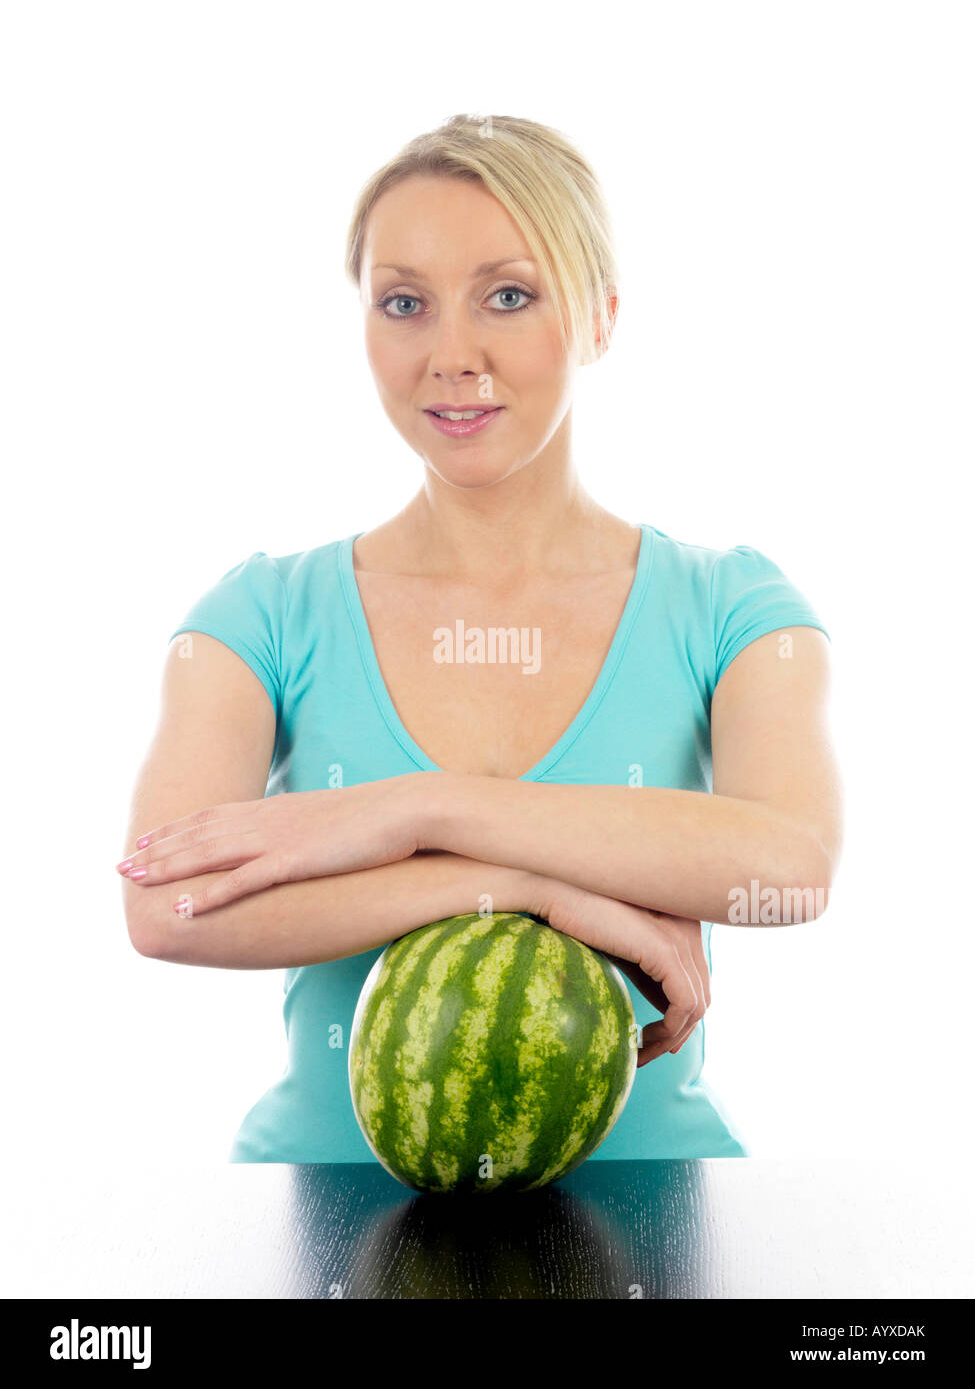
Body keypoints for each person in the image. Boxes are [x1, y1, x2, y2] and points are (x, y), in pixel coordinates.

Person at [118, 114, 843, 1163]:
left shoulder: (733, 606)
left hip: (654, 1213)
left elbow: (792, 865)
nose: (452, 355)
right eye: (404, 303)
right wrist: (534, 891)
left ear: (599, 315)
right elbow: (166, 906)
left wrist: (414, 808)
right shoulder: (261, 616)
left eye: (509, 294)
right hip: (316, 1216)